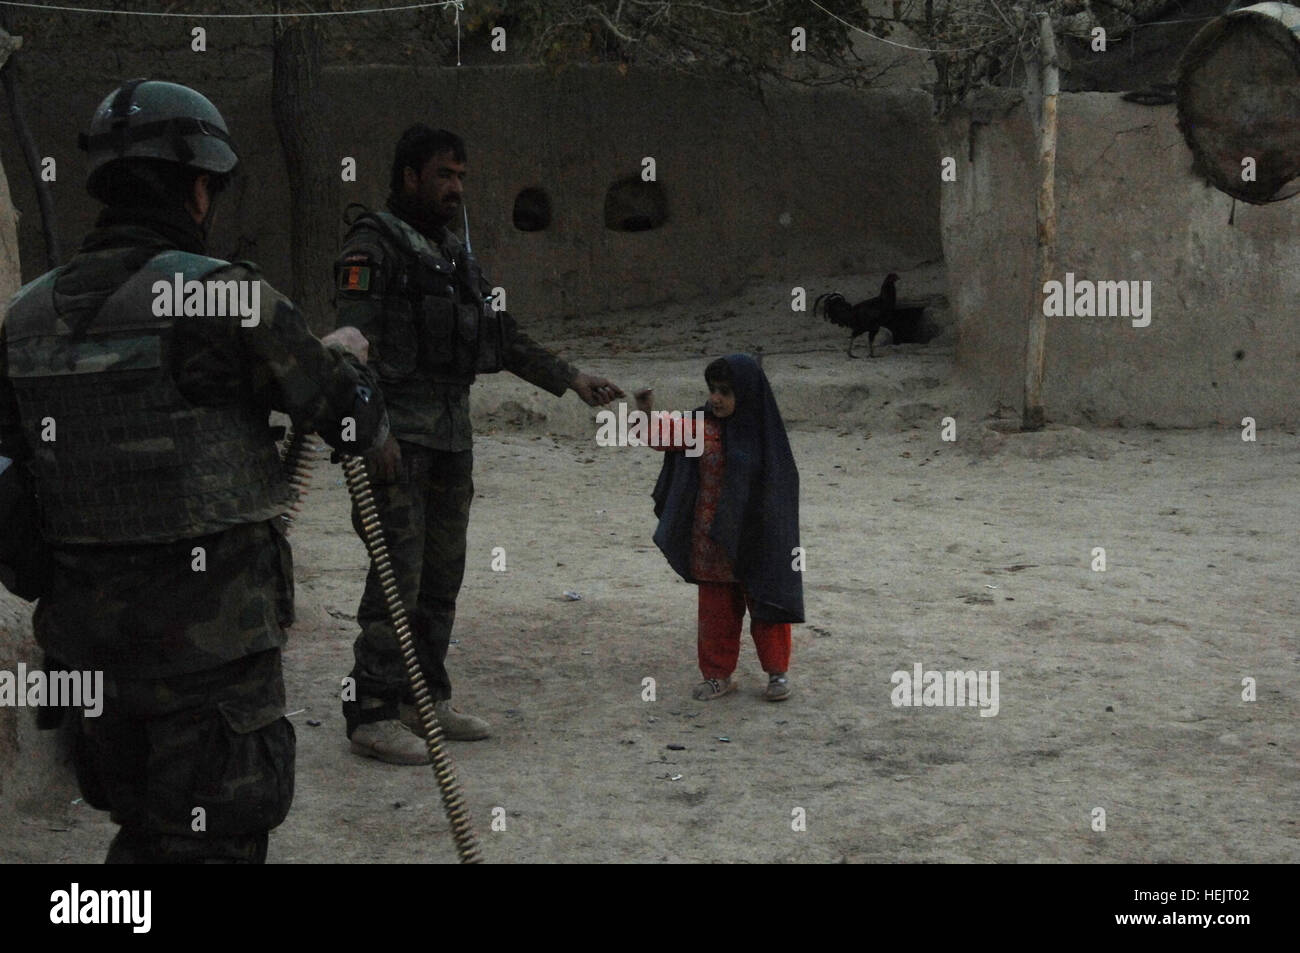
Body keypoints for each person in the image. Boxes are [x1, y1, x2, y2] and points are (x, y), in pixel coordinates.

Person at [0, 79, 388, 863]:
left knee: (142, 836)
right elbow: (353, 424)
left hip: (87, 658)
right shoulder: (223, 298)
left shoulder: (24, 318)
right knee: (213, 843)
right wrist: (338, 361)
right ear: (200, 188)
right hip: (208, 665)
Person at [333, 125, 623, 763]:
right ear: (409, 176)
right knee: (395, 579)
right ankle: (371, 711)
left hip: (450, 441)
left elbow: (500, 332)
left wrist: (571, 378)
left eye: (462, 176)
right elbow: (350, 355)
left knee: (442, 577)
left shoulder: (454, 254)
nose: (456, 188)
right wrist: (370, 430)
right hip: (394, 445)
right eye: (444, 175)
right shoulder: (373, 247)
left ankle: (424, 698)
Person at [638, 354, 804, 701]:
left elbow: (781, 488)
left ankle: (777, 675)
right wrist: (644, 409)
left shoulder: (765, 433)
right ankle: (718, 676)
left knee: (767, 607)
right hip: (711, 542)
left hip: (756, 542)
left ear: (746, 393)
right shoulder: (701, 427)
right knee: (715, 613)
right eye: (712, 390)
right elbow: (656, 437)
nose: (716, 398)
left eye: (725, 392)